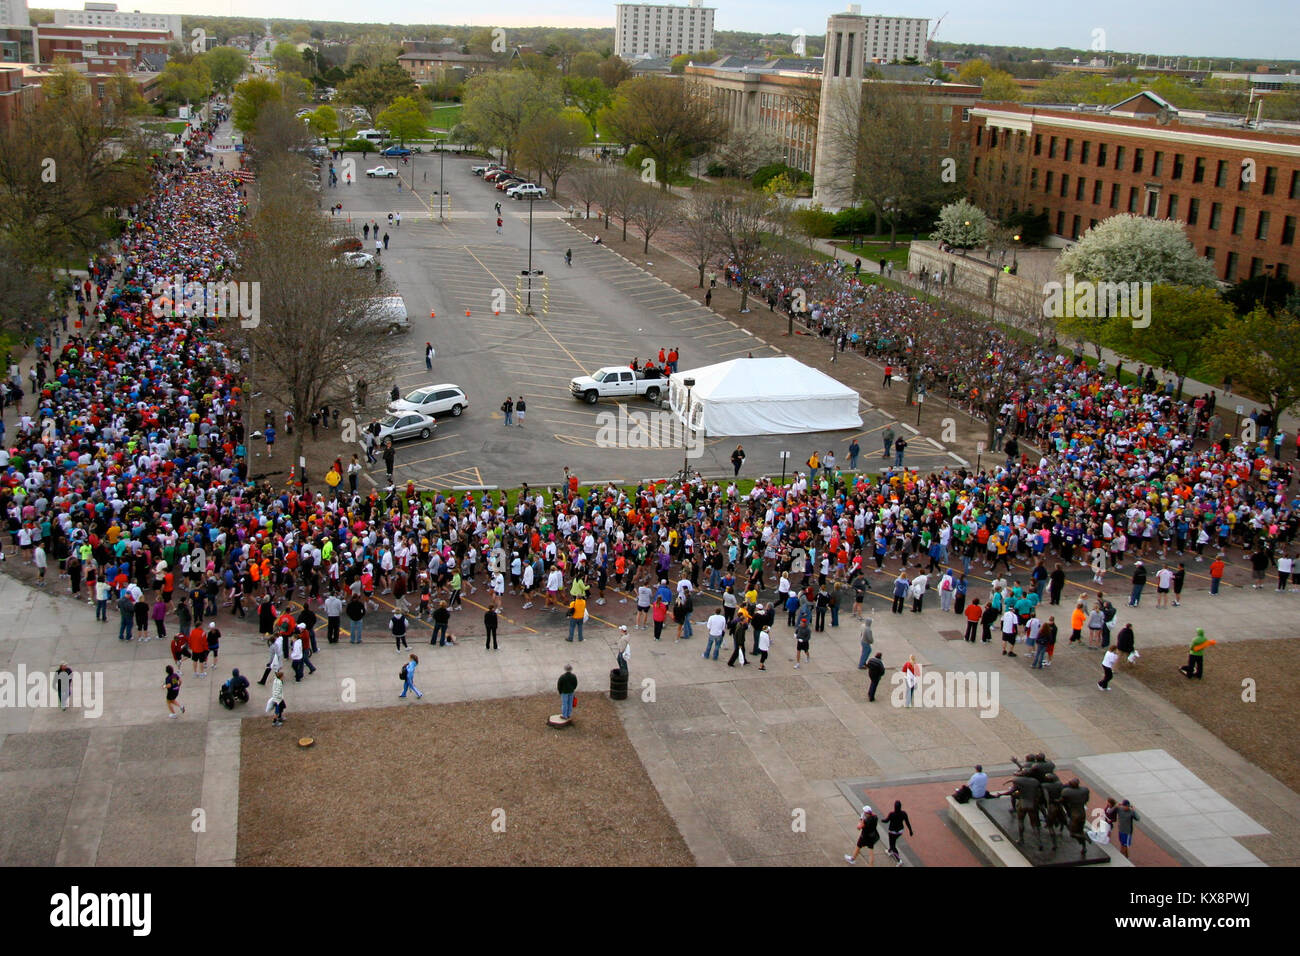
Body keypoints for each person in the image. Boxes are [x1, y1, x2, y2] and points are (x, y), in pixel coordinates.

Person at [884, 800, 914, 865]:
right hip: (900, 831)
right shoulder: (904, 813)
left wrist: (882, 820)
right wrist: (910, 831)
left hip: (892, 832)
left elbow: (886, 821)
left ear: (894, 807)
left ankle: (899, 860)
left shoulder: (891, 814)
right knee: (893, 841)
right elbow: (907, 822)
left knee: (893, 845)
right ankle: (890, 850)